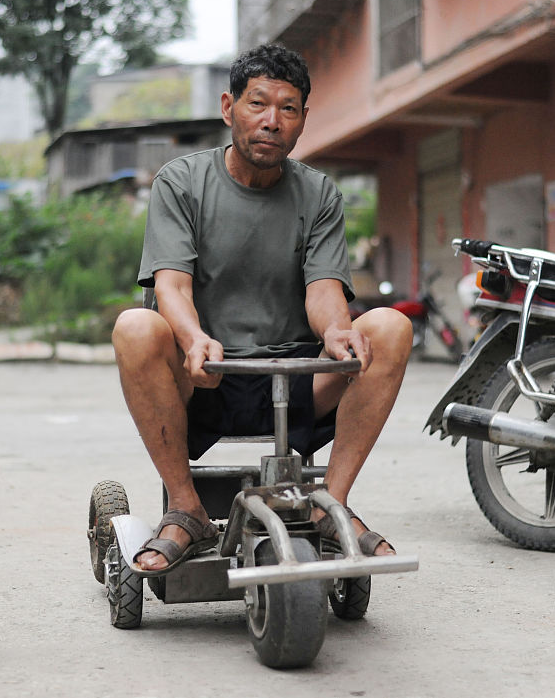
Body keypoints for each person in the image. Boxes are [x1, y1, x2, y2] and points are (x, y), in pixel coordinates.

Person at [111, 44, 412, 576]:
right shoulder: (181, 183)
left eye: (288, 108)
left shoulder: (319, 194)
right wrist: (193, 338)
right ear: (229, 107)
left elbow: (323, 289)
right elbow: (171, 286)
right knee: (135, 327)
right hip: (203, 373)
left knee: (389, 326)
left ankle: (330, 503)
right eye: (258, 104)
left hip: (292, 378)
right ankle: (187, 509)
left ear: (301, 122)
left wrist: (340, 331)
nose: (271, 121)